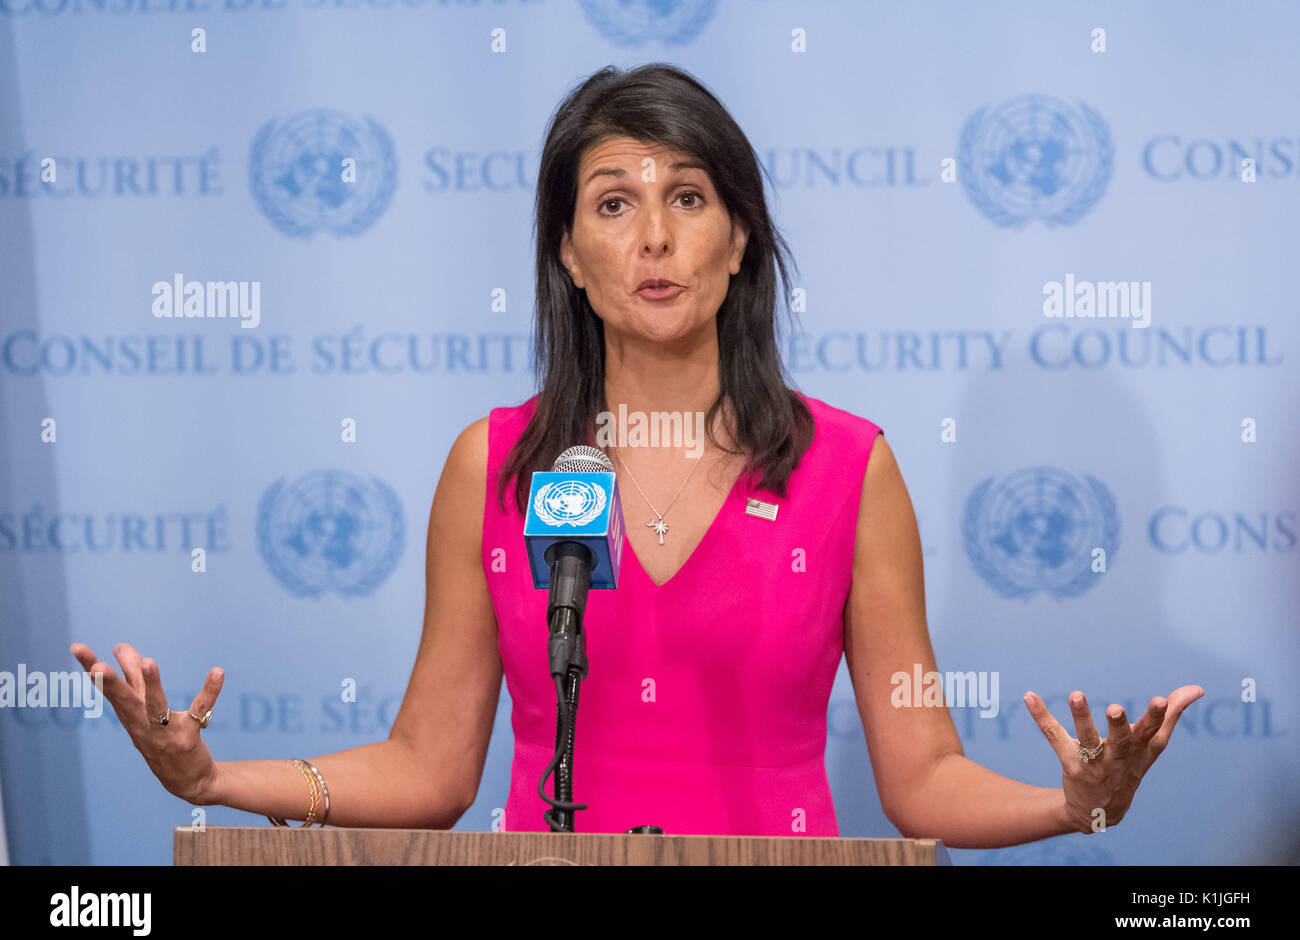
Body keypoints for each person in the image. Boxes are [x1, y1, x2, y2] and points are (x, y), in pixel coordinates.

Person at [71, 63, 1202, 846]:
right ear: (567, 251)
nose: (654, 236)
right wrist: (215, 779)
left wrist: (1077, 805)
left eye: (689, 197)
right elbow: (429, 766)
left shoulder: (850, 468)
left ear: (739, 235)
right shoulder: (496, 464)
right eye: (613, 202)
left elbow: (923, 781)